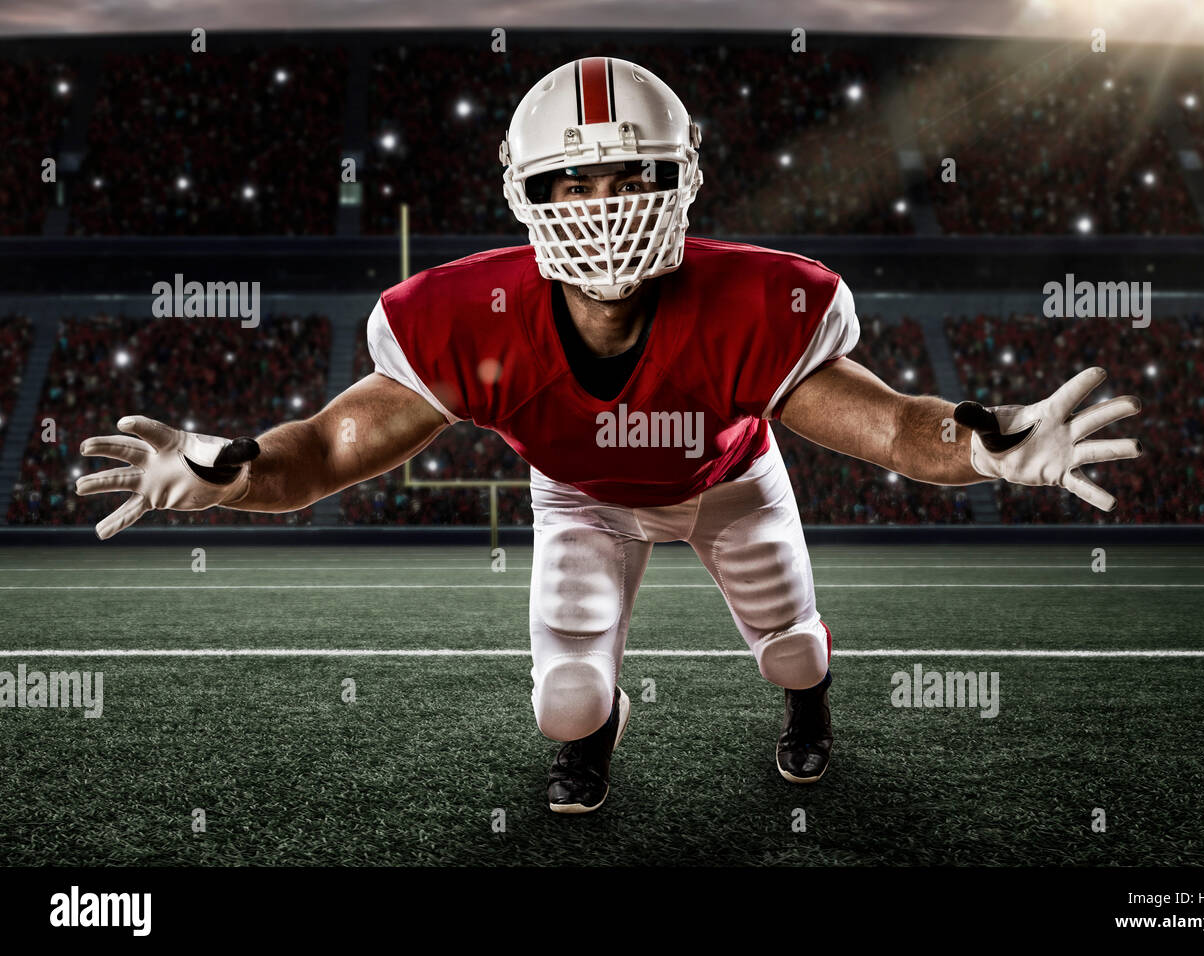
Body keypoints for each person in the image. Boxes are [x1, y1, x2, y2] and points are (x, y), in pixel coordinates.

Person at [76, 57, 1141, 813]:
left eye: (631, 174)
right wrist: (229, 472)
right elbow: (319, 453)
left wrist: (980, 441)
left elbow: (896, 427)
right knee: (569, 692)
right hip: (580, 496)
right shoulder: (472, 322)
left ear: (681, 178)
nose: (602, 204)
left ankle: (807, 711)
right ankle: (591, 749)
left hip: (730, 481)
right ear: (522, 195)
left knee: (793, 645)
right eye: (571, 181)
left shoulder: (745, 304)